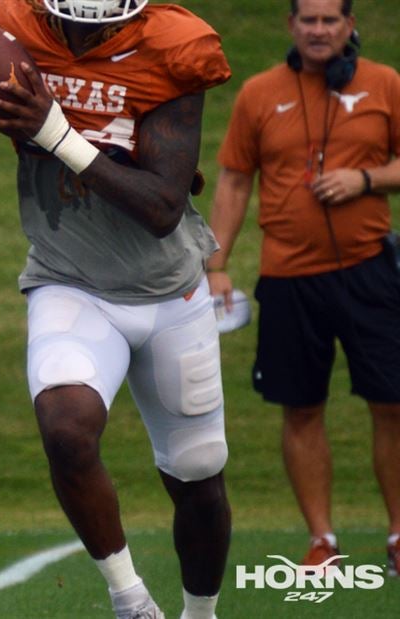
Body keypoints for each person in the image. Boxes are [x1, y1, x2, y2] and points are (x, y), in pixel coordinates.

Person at [0, 1, 232, 617]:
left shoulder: (173, 45)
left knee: (199, 478)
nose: (88, 32)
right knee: (67, 431)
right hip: (69, 279)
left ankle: (201, 614)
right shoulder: (13, 28)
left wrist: (55, 132)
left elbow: (160, 208)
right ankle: (131, 600)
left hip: (168, 292)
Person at [209, 0, 400, 574]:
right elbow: (235, 179)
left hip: (369, 270)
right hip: (288, 278)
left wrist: (365, 179)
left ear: (349, 26)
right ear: (291, 26)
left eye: (330, 20)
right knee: (300, 408)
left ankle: (398, 537)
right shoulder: (260, 93)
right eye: (308, 21)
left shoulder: (385, 84)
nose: (319, 31)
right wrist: (216, 265)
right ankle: (322, 540)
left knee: (393, 404)